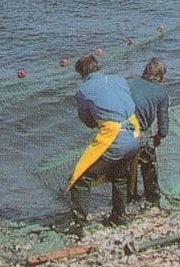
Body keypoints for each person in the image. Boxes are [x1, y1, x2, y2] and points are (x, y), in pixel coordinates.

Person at [65, 54, 141, 236]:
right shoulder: (119, 79)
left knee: (81, 178)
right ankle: (119, 216)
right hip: (134, 134)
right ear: (98, 66)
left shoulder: (83, 91)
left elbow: (88, 121)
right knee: (119, 176)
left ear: (82, 73)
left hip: (115, 138)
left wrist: (99, 121)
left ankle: (77, 224)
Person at [127, 58, 170, 207]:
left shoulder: (131, 84)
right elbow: (163, 126)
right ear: (161, 76)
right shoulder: (161, 93)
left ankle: (129, 198)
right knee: (148, 164)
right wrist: (159, 137)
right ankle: (152, 199)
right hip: (141, 134)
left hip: (122, 131)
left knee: (127, 169)